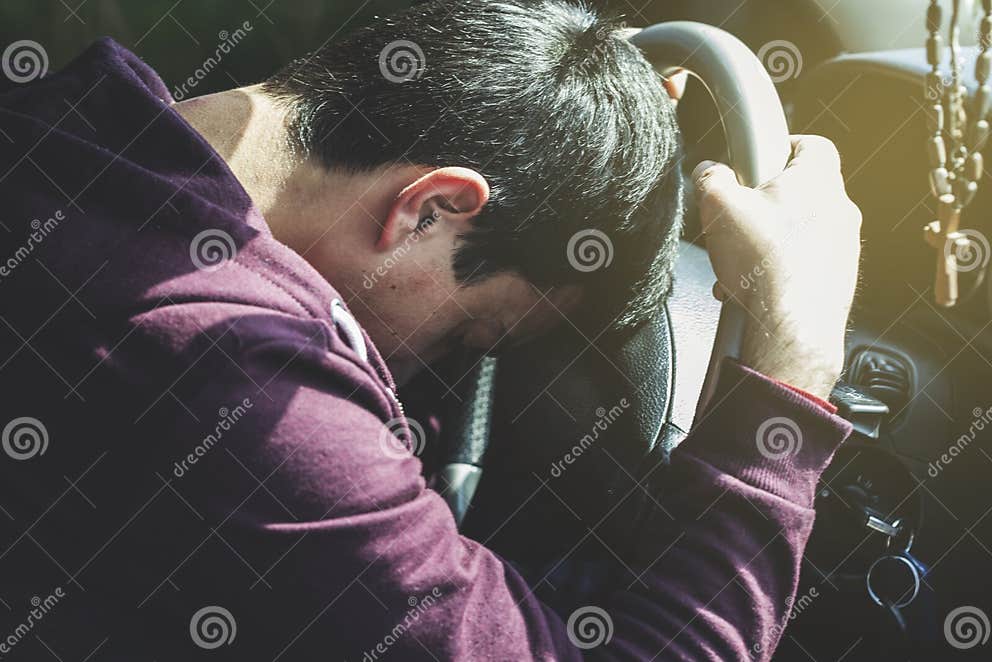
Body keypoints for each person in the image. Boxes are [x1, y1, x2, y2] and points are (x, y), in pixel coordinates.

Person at [0, 0, 860, 659]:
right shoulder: (245, 385)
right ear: (431, 209)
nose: (426, 369)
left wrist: (594, 108)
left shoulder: (61, 125)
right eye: (468, 336)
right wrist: (795, 363)